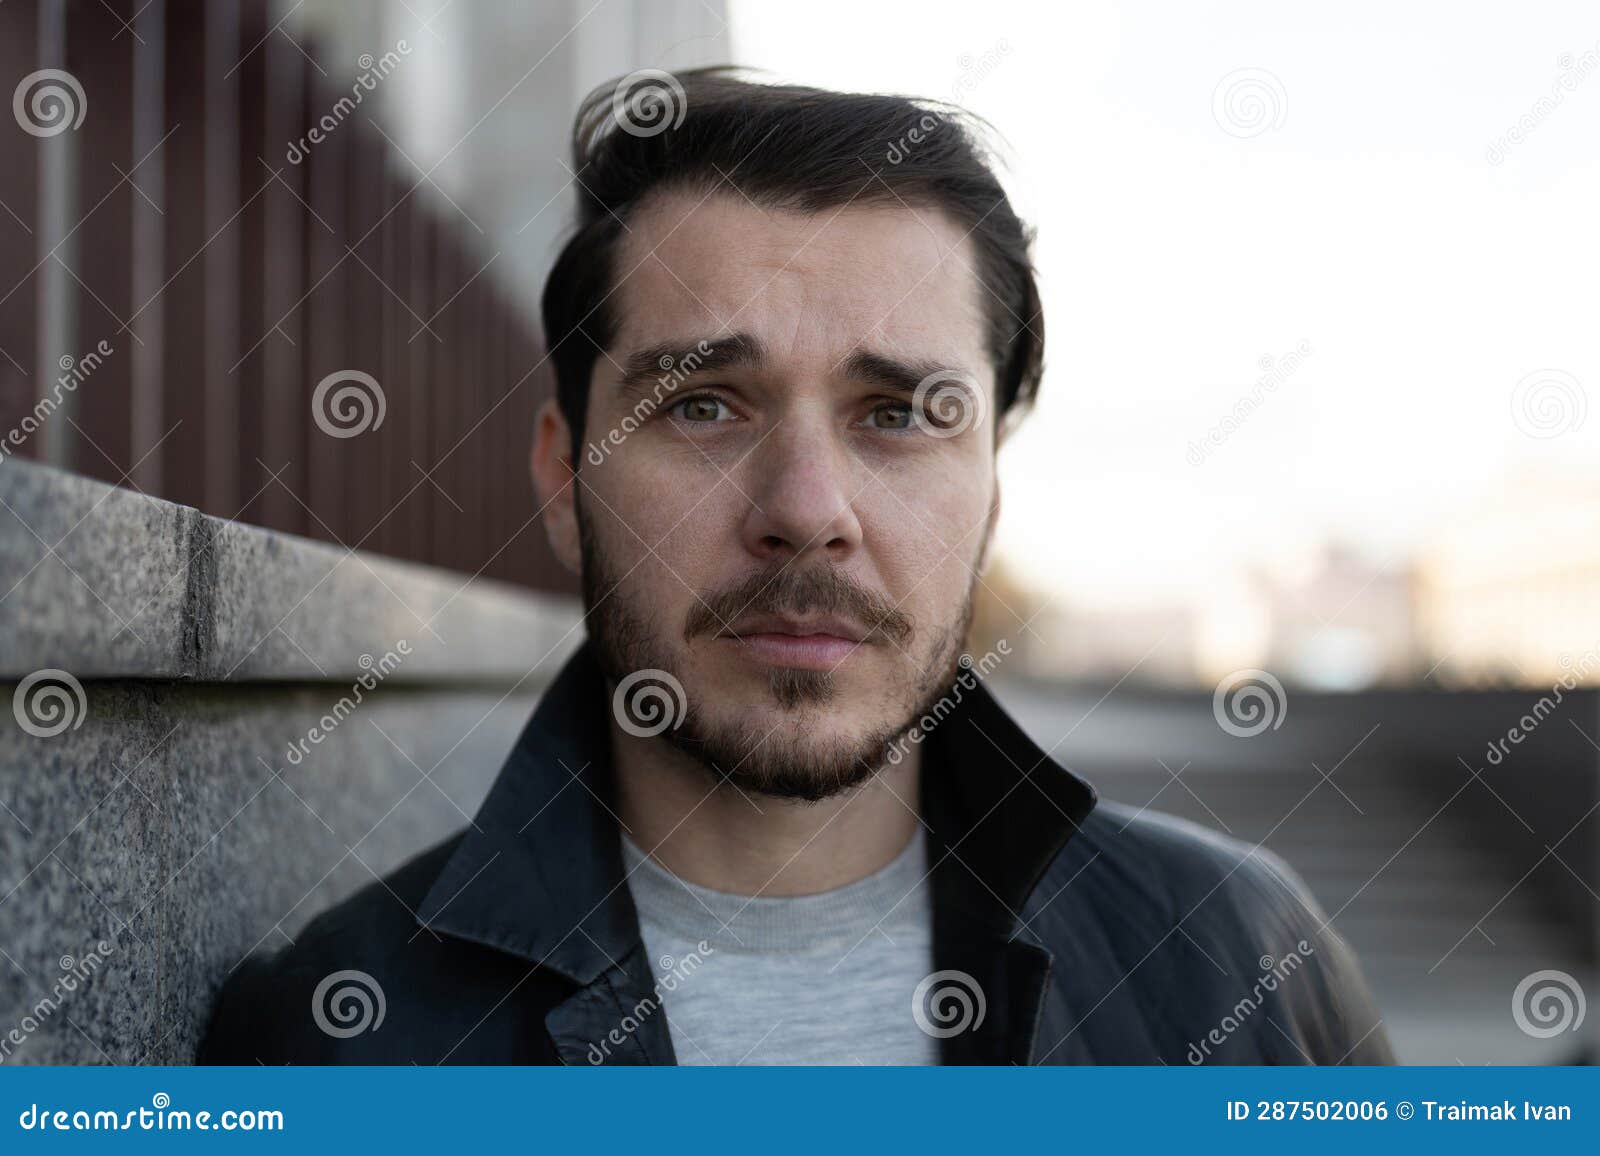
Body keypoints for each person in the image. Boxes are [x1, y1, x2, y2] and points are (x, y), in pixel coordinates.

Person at [200, 68, 1392, 1066]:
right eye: (706, 404)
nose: (807, 512)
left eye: (900, 414)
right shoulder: (336, 1031)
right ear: (564, 479)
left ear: (989, 486)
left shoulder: (1235, 962)